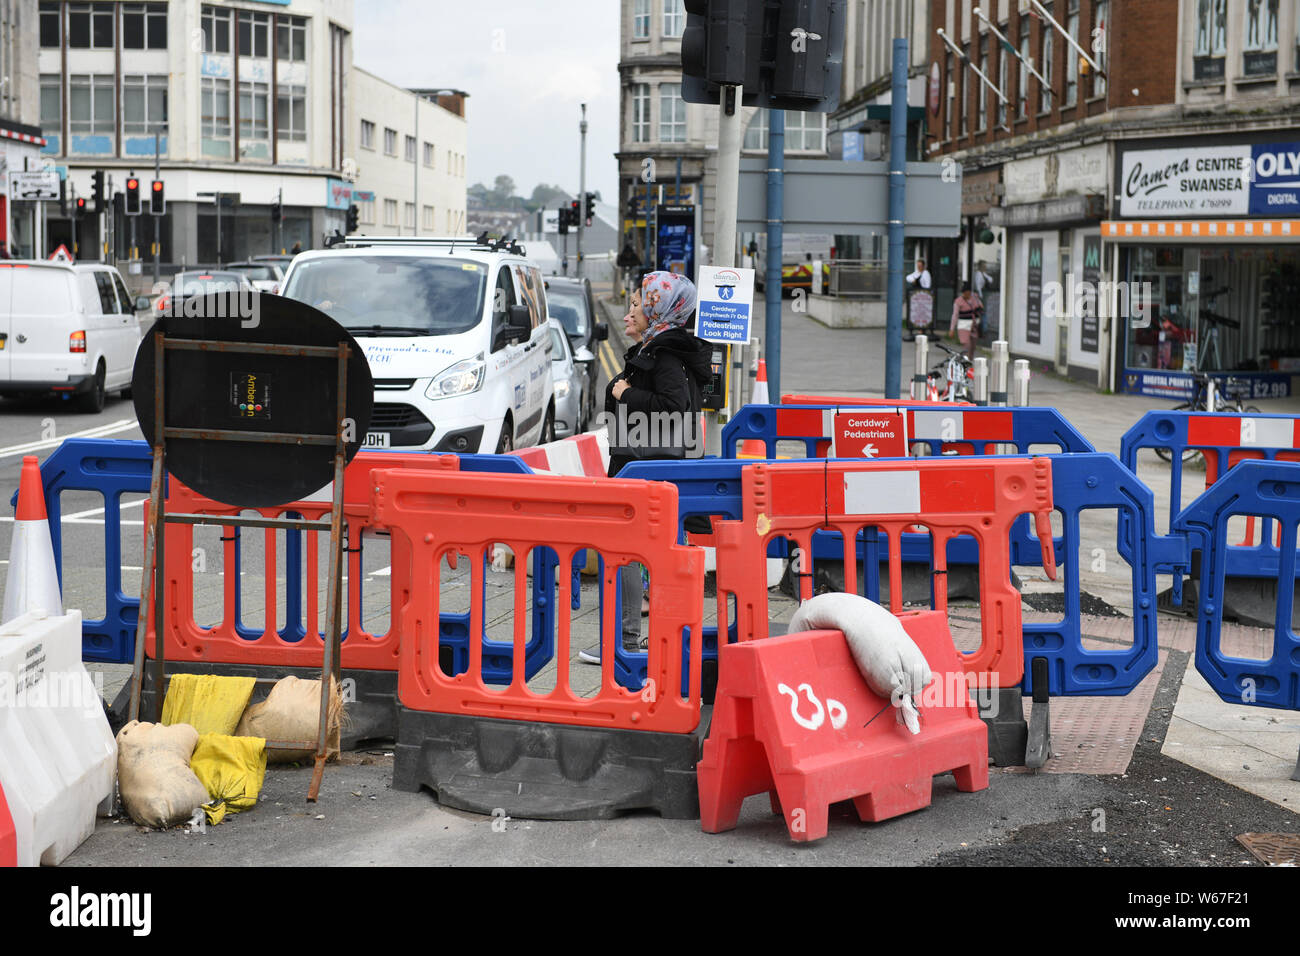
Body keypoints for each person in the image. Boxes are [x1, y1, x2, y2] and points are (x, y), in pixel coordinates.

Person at [579, 272, 712, 665]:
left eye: (637, 304)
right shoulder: (660, 348)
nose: (627, 313)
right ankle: (641, 642)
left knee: (630, 554)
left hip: (648, 470)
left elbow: (673, 408)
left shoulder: (666, 354)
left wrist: (626, 393)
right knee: (640, 555)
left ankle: (626, 643)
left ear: (657, 308)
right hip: (646, 468)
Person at [950, 282, 984, 362]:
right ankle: (964, 361)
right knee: (966, 345)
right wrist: (952, 329)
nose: (967, 294)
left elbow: (981, 306)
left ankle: (970, 361)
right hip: (963, 325)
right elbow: (955, 315)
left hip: (974, 325)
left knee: (973, 346)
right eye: (965, 292)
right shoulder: (958, 301)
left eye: (969, 292)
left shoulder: (975, 298)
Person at [905, 258, 933, 341]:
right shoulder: (916, 273)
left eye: (920, 266)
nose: (919, 267)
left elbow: (927, 286)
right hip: (916, 299)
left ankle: (923, 328)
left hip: (924, 298)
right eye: (918, 266)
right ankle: (916, 327)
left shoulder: (926, 274)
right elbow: (908, 277)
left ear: (923, 266)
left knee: (923, 313)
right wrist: (913, 280)